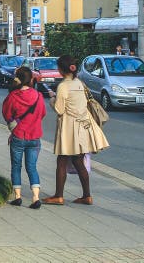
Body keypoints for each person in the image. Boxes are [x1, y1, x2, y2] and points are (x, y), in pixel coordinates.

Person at [43, 55, 109, 206]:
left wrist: (52, 98)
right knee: (79, 161)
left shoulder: (63, 86)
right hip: (83, 126)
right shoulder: (80, 83)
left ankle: (59, 196)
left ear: (61, 70)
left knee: (62, 160)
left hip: (69, 127)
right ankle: (87, 195)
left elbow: (60, 109)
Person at [2, 66, 47, 209]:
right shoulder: (38, 96)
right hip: (35, 136)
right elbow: (42, 113)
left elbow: (6, 113)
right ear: (31, 79)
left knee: (16, 166)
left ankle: (18, 197)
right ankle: (35, 197)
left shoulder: (13, 96)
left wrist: (14, 122)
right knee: (32, 167)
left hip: (18, 135)